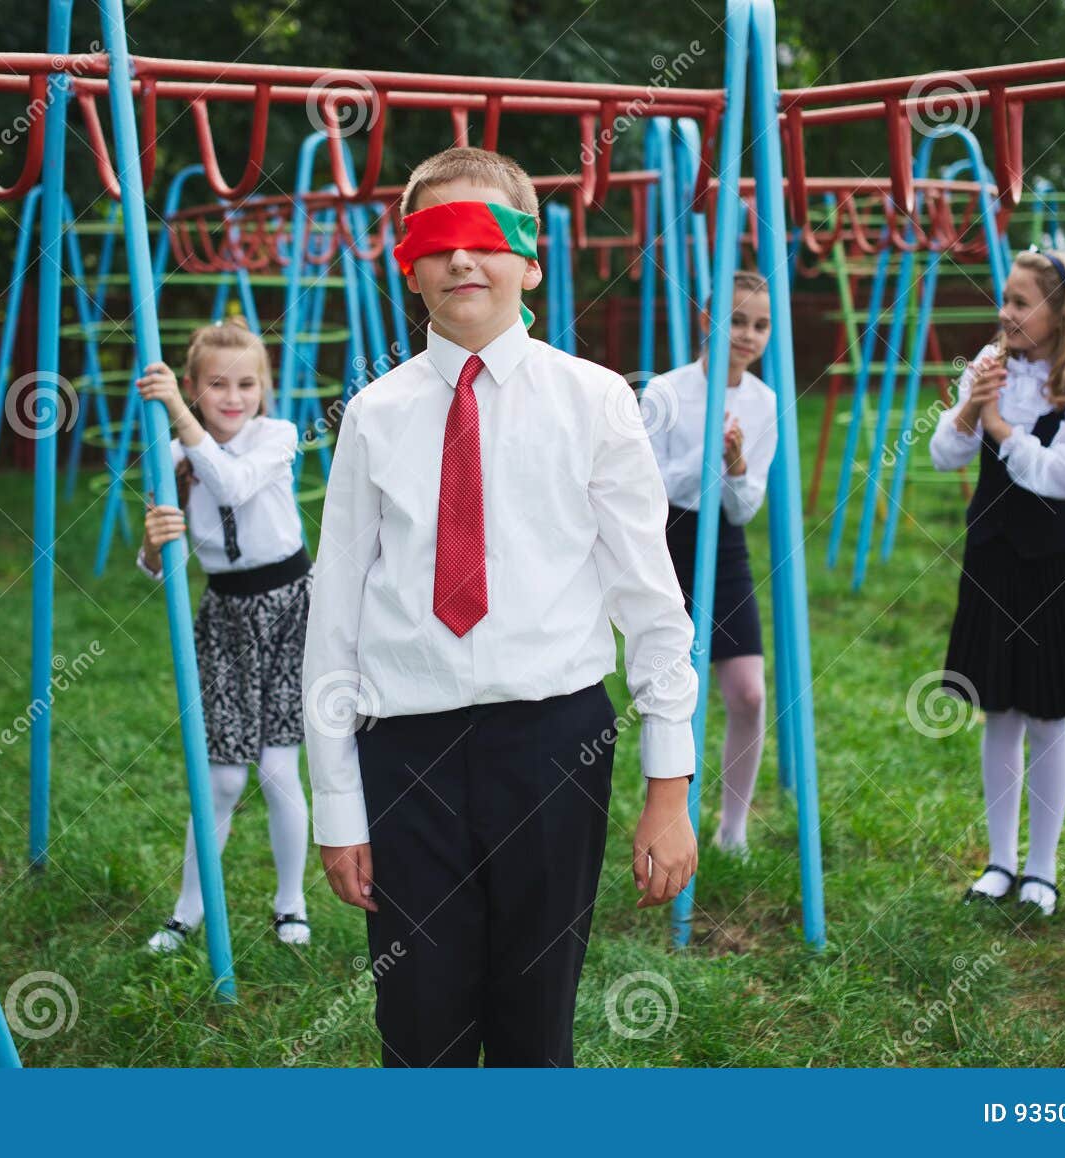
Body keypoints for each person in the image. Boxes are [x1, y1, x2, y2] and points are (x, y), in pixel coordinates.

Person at [302, 146, 699, 1066]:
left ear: (531, 259)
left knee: (535, 1022)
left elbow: (651, 602)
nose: (462, 261)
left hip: (554, 748)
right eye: (437, 240)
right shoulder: (373, 416)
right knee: (419, 1023)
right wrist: (337, 807)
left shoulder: (596, 402)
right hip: (405, 757)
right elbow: (336, 621)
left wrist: (669, 790)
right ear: (410, 262)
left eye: (486, 237)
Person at [929, 248, 1065, 918]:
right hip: (994, 558)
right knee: (1000, 709)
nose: (1005, 312)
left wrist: (999, 427)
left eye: (1020, 302)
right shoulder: (990, 367)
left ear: (1059, 311)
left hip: (1055, 563)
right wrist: (968, 415)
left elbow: (1060, 479)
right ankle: (1000, 861)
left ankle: (1042, 870)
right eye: (1004, 299)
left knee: (1048, 714)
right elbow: (943, 454)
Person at [136, 318, 314, 950]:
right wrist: (155, 549)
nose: (233, 397)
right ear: (194, 385)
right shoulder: (176, 459)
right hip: (227, 618)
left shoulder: (277, 436)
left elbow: (233, 483)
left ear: (262, 388)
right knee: (222, 780)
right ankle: (189, 908)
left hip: (290, 607)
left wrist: (181, 417)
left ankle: (290, 903)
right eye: (216, 386)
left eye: (246, 384)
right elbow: (167, 569)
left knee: (275, 771)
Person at [641, 269, 778, 855]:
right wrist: (707, 457)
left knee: (748, 694)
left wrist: (739, 468)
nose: (747, 335)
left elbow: (746, 510)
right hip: (667, 541)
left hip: (722, 542)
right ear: (708, 323)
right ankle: (667, 820)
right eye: (737, 321)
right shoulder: (666, 392)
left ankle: (733, 828)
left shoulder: (765, 401)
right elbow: (647, 486)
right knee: (673, 690)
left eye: (760, 325)